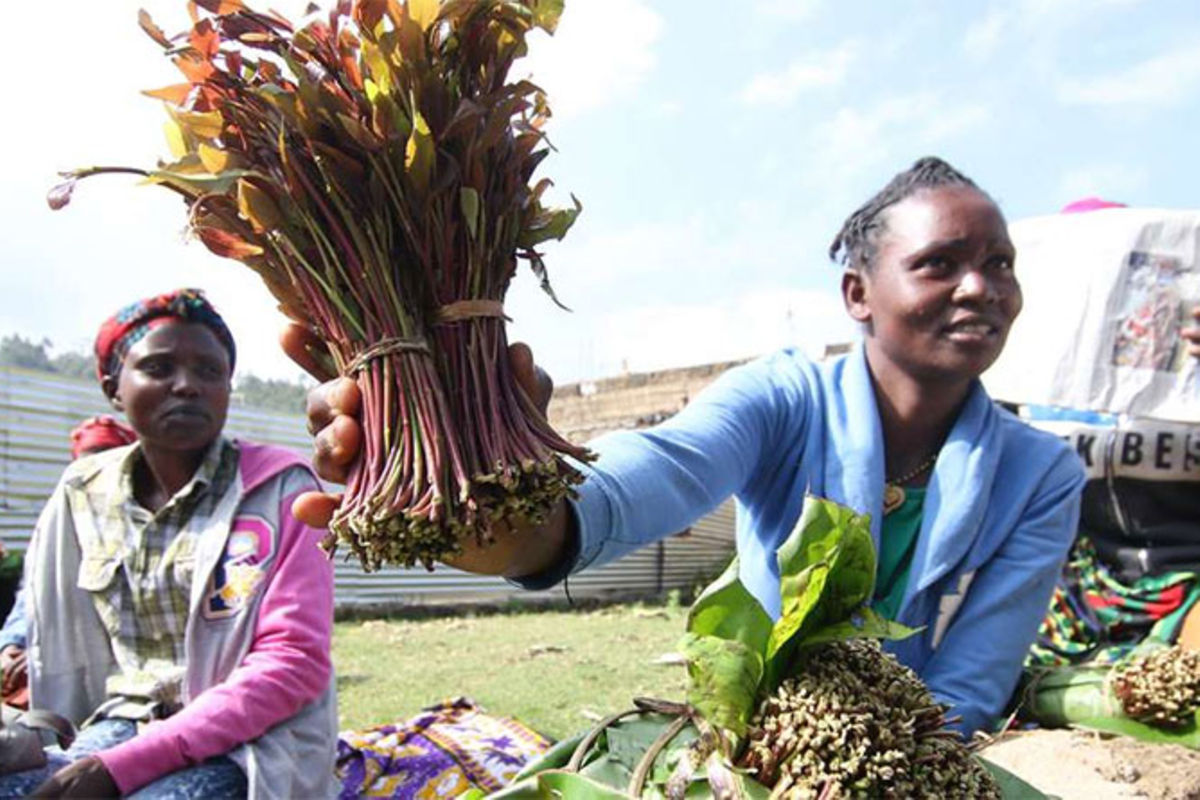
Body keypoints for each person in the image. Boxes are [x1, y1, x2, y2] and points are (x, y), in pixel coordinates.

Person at [288, 157, 1087, 737]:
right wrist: (527, 521)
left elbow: (973, 681)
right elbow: (658, 472)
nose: (980, 287)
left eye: (999, 264)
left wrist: (873, 766)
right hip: (746, 736)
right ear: (857, 294)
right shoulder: (786, 399)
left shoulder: (1040, 472)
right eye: (939, 265)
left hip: (904, 755)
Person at [2, 289, 337, 799]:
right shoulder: (82, 493)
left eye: (209, 371)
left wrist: (117, 769)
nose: (187, 385)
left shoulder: (281, 490)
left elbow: (293, 661)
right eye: (158, 368)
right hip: (119, 722)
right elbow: (40, 603)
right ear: (114, 389)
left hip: (248, 741)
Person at [0, 417, 140, 709]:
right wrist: (11, 645)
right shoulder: (62, 521)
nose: (95, 472)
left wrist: (46, 655)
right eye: (86, 462)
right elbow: (35, 594)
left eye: (106, 458)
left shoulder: (143, 525)